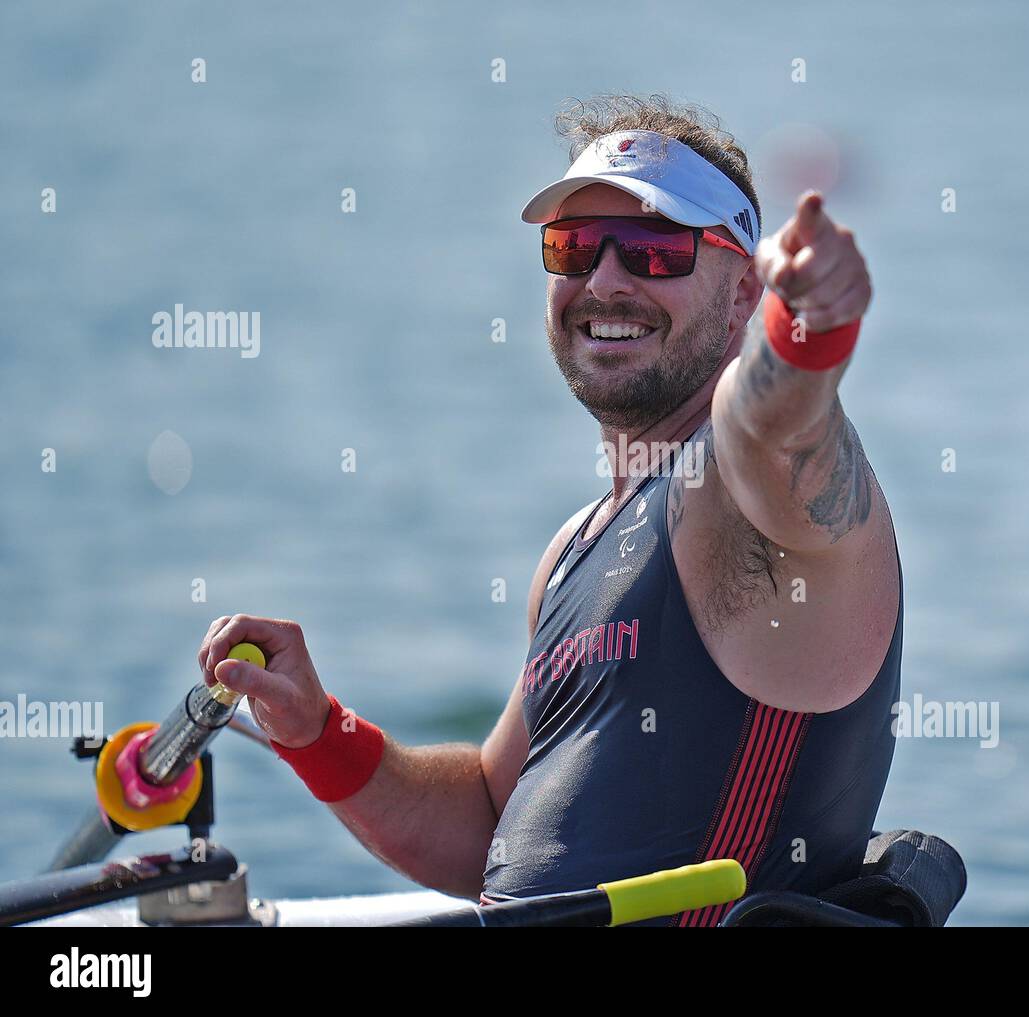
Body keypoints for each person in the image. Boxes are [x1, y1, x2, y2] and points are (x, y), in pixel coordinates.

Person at [197, 95, 901, 926]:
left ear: (745, 289)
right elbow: (489, 829)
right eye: (573, 250)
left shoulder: (750, 489)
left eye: (653, 251)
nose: (605, 280)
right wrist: (318, 730)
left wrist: (809, 327)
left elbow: (775, 419)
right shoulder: (577, 546)